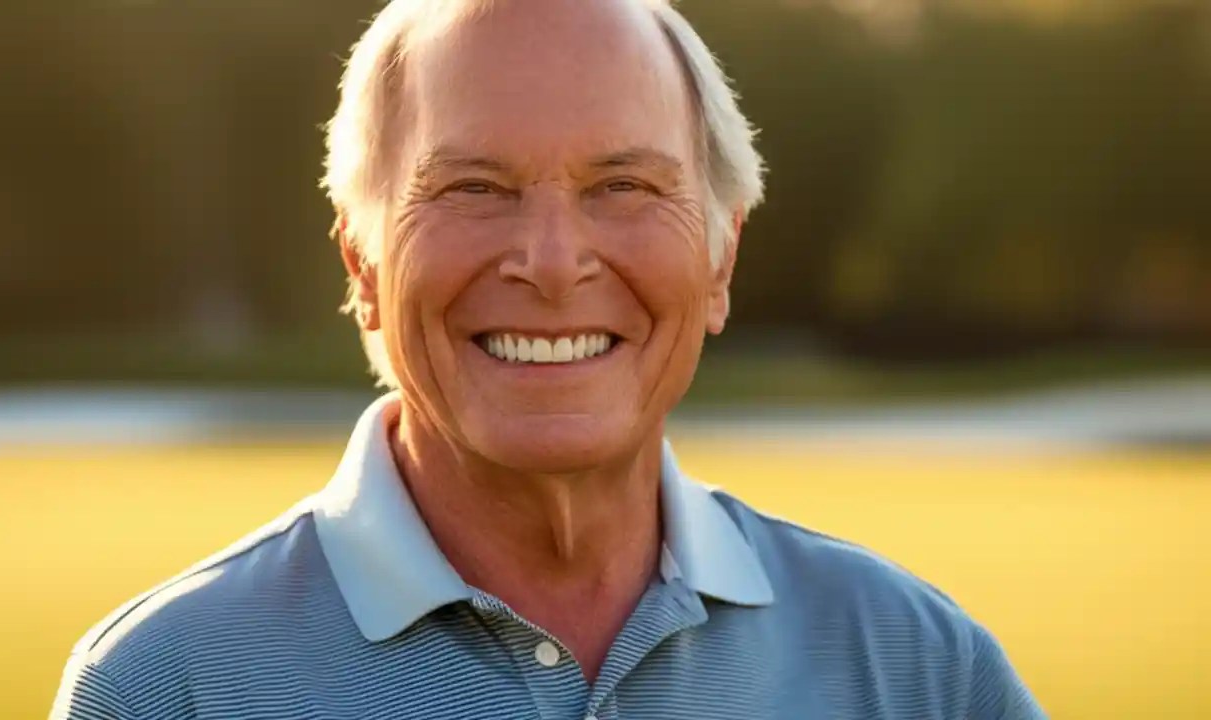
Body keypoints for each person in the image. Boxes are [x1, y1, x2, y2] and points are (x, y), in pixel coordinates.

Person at [51, 0, 1045, 718]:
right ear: (361, 261)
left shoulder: (916, 668)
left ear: (719, 255)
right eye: (475, 188)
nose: (553, 262)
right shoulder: (160, 689)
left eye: (621, 185)